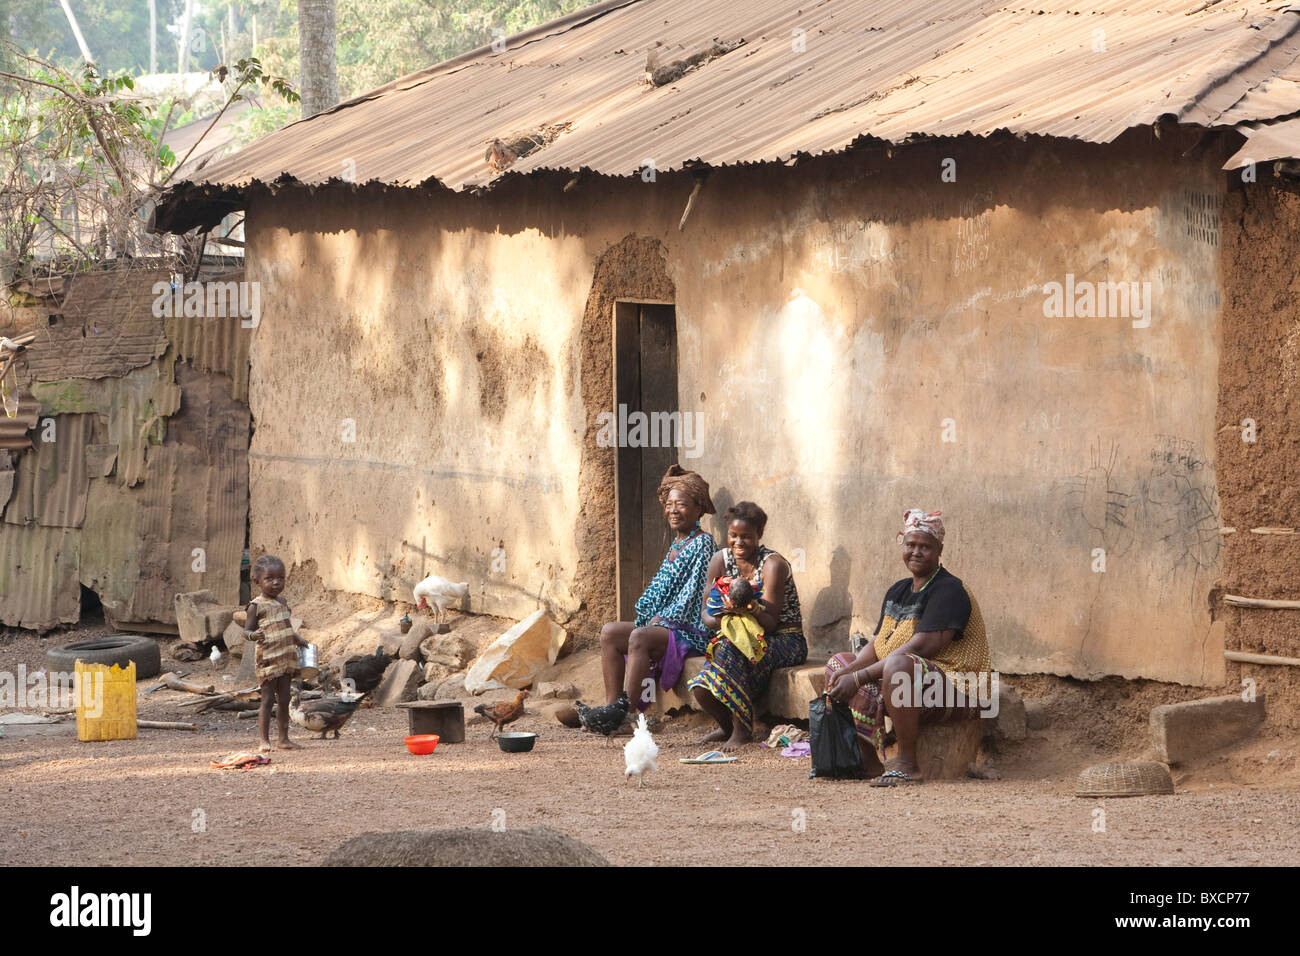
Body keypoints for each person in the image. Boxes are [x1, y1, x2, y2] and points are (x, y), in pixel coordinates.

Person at [825, 509, 990, 786]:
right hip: (912, 683)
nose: (916, 552)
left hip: (959, 686)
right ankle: (867, 760)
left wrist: (860, 678)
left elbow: (922, 647)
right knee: (838, 663)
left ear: (939, 550)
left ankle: (907, 764)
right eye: (910, 545)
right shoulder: (898, 590)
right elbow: (879, 645)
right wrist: (850, 672)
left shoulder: (950, 589)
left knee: (900, 665)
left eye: (925, 546)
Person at [580, 464, 718, 732]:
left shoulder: (703, 544)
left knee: (640, 637)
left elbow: (692, 598)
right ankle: (612, 710)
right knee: (609, 632)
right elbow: (660, 593)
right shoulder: (678, 546)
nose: (673, 510)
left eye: (682, 505)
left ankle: (629, 716)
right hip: (667, 625)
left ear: (698, 509)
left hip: (691, 630)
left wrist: (660, 620)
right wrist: (654, 618)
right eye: (669, 504)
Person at [689, 501, 806, 751]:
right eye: (733, 535)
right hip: (740, 637)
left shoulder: (773, 564)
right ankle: (727, 727)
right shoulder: (720, 560)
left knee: (732, 649)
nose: (738, 543)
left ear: (759, 536)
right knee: (702, 686)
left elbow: (772, 623)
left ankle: (742, 729)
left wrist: (751, 608)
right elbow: (706, 615)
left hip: (785, 639)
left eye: (746, 537)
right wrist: (725, 617)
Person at [244, 555, 311, 752]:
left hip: (287, 657)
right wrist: (253, 635)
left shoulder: (282, 602)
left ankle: (284, 739)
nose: (276, 582)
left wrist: (298, 639)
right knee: (267, 699)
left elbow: (286, 626)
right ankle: (264, 740)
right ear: (257, 581)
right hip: (268, 659)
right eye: (269, 579)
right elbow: (246, 631)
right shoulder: (255, 606)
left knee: (284, 699)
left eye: (280, 578)